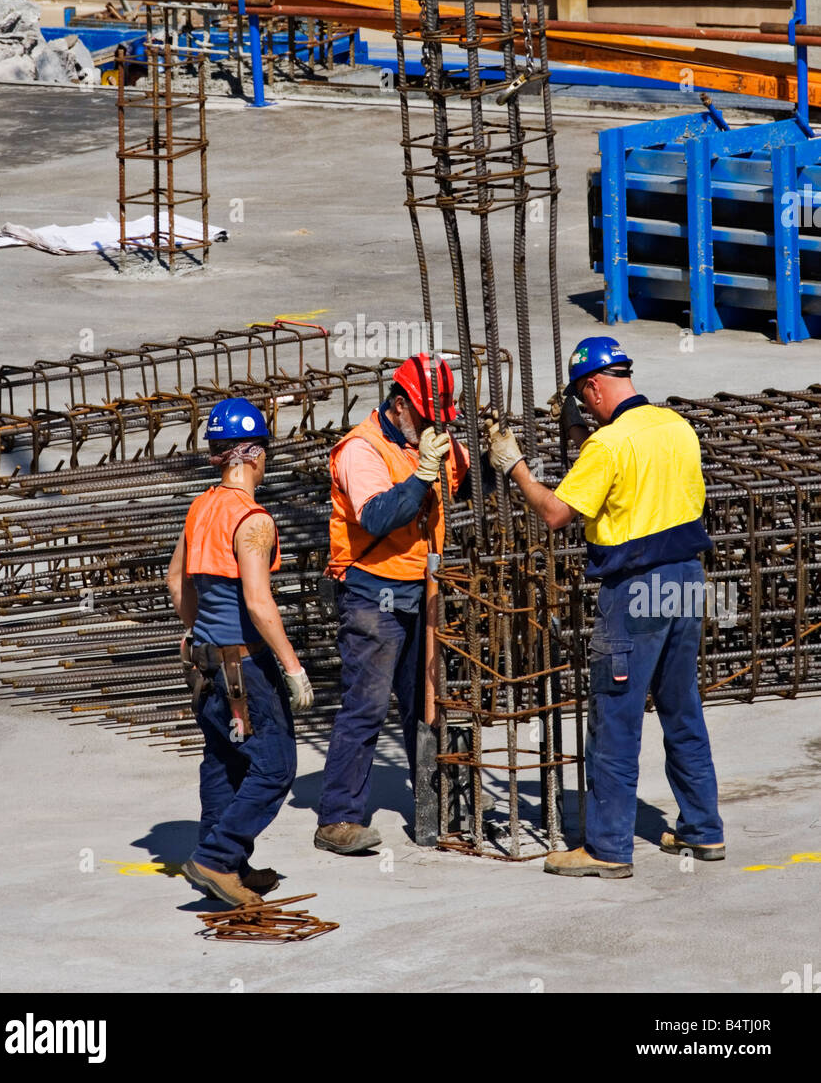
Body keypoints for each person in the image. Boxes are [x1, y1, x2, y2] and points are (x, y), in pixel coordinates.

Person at [486, 336, 724, 879]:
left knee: (615, 717)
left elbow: (555, 513)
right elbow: (637, 480)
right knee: (682, 709)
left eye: (581, 397)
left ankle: (608, 848)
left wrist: (515, 466)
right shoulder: (675, 426)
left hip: (636, 589)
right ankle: (703, 831)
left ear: (592, 386)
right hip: (686, 581)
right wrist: (582, 436)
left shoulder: (609, 446)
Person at [315, 353, 483, 854]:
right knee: (365, 706)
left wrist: (497, 459)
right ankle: (338, 819)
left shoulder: (432, 439)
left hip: (423, 591)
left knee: (426, 705)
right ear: (400, 403)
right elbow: (379, 517)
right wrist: (423, 472)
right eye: (426, 417)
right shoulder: (360, 450)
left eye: (441, 420)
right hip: (373, 594)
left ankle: (438, 806)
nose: (434, 428)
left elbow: (469, 488)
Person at [167, 397, 314, 906]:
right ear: (253, 456)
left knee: (225, 759)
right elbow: (258, 602)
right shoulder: (253, 520)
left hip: (206, 662)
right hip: (244, 665)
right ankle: (218, 857)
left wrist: (198, 631)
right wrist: (293, 668)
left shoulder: (201, 506)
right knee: (274, 767)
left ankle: (222, 861)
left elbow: (176, 581)